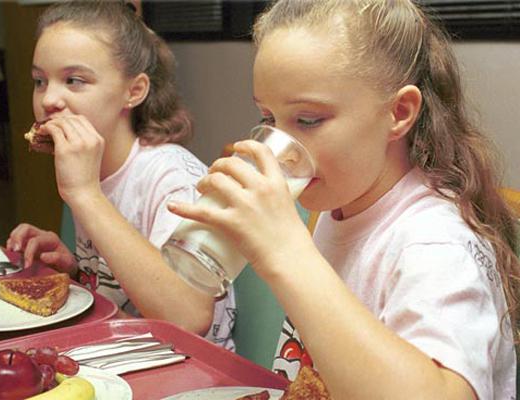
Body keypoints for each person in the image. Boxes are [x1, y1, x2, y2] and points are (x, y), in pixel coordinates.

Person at [168, 0, 519, 397]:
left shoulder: (434, 241)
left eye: (309, 120)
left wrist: (286, 254)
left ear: (399, 112)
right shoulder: (342, 206)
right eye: (268, 119)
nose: (280, 148)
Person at [6, 0, 235, 350]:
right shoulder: (91, 165)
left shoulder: (172, 177)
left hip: (190, 369)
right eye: (40, 80)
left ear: (134, 91)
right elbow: (123, 294)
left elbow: (187, 319)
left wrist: (85, 195)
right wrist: (74, 270)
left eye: (74, 80)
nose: (49, 99)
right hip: (119, 353)